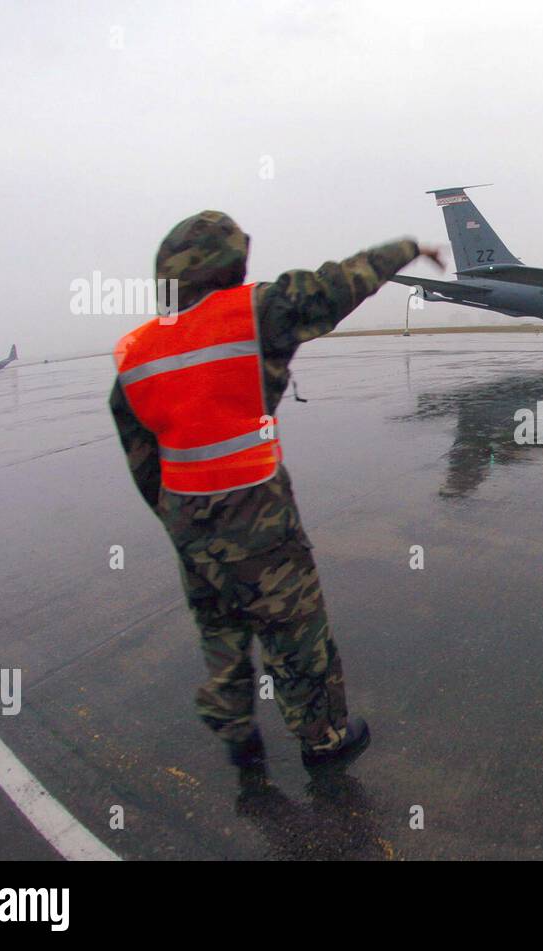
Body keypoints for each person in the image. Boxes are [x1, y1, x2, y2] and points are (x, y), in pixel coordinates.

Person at [109, 210, 443, 774]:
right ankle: (325, 737)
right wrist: (406, 247)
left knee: (219, 626)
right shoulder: (251, 311)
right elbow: (337, 284)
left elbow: (141, 456)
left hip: (188, 519)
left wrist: (175, 517)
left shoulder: (134, 352)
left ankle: (237, 731)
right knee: (294, 628)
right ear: (228, 261)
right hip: (255, 513)